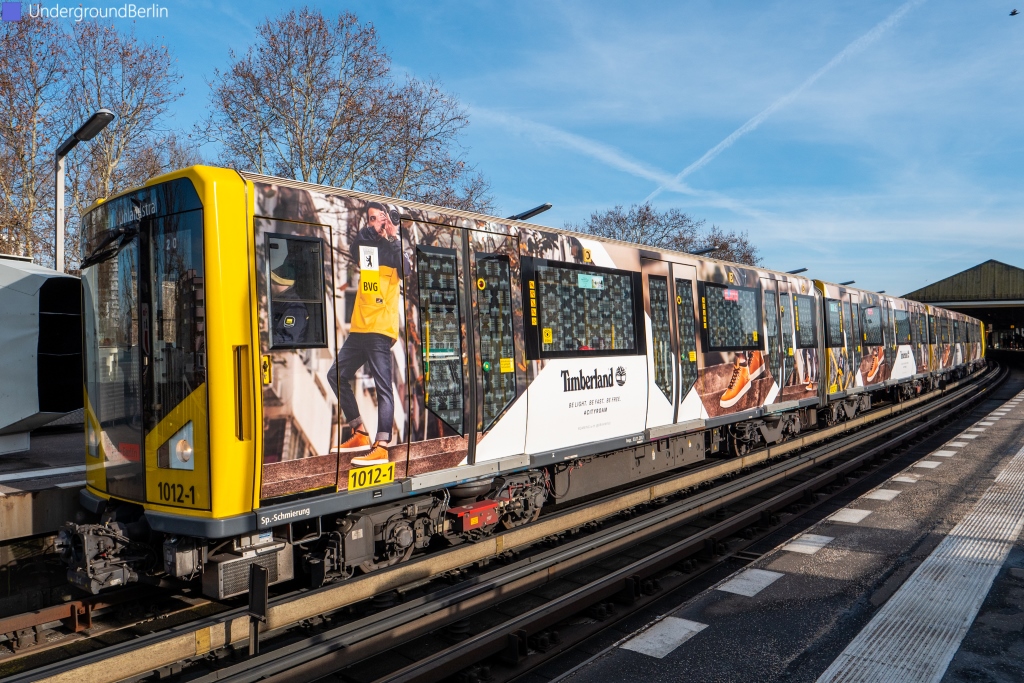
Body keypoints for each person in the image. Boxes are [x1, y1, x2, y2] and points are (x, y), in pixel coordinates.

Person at [328, 202, 402, 468]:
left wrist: (392, 233)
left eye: (378, 217)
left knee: (384, 388)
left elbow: (404, 267)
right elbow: (354, 247)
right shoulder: (367, 248)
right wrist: (373, 228)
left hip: (381, 328)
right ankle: (359, 432)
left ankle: (381, 445)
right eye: (371, 218)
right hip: (360, 327)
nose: (375, 222)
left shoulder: (393, 250)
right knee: (335, 375)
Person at [270, 260, 310, 346]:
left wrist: (264, 337)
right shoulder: (279, 301)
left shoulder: (295, 307)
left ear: (279, 282)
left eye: (271, 280)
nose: (269, 285)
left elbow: (286, 340)